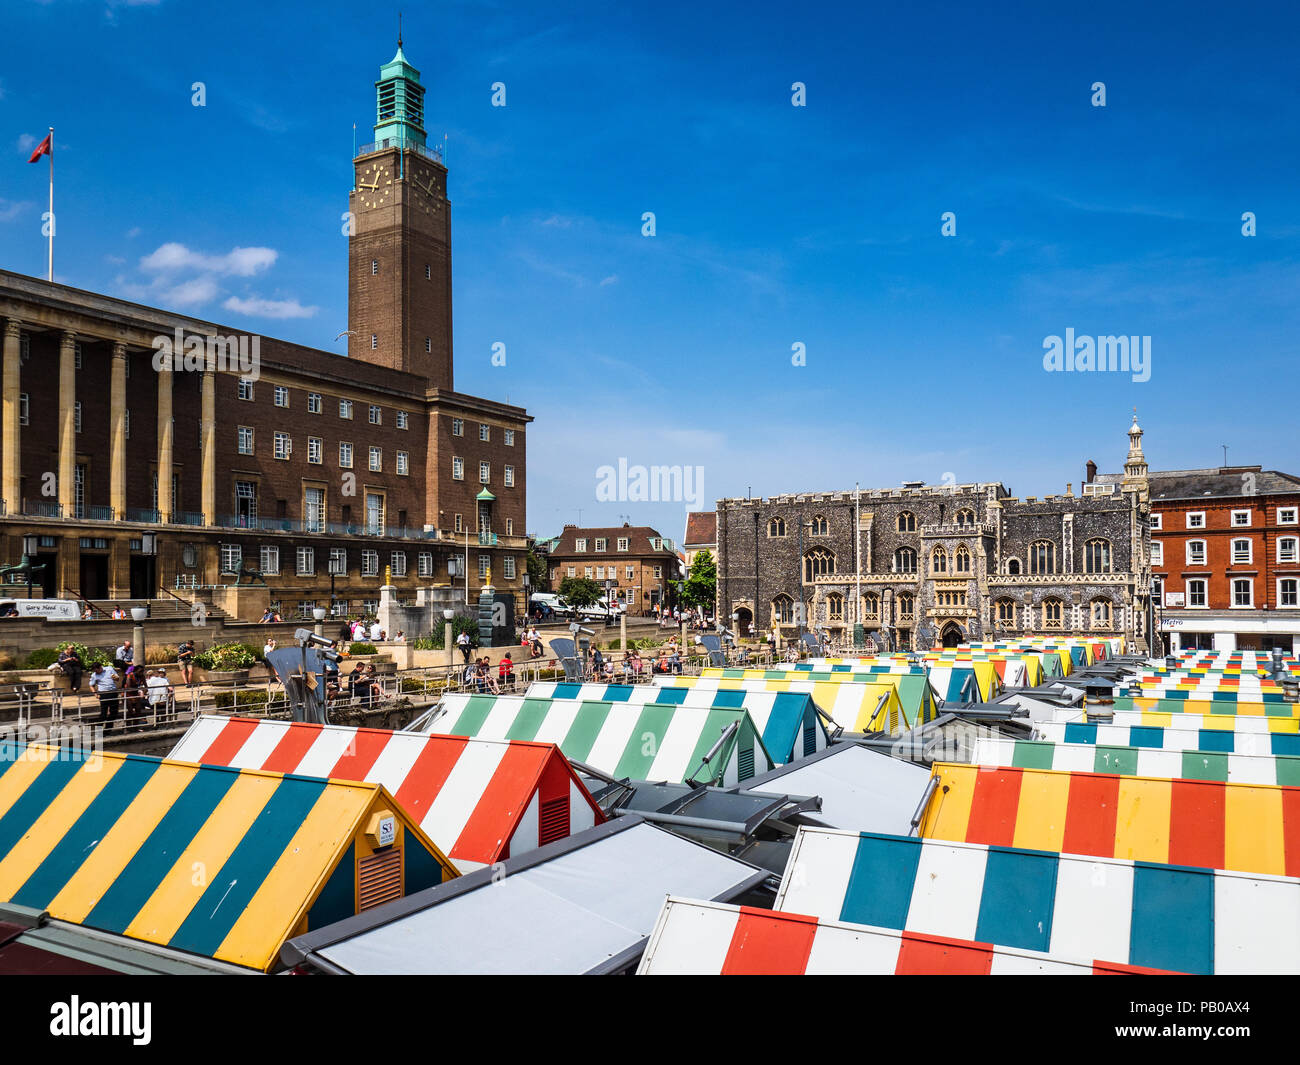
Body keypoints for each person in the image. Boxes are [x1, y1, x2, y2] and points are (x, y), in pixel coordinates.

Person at [88, 662, 121, 728]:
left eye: (97, 670)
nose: (96, 672)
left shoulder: (109, 669)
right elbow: (91, 685)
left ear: (100, 667)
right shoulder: (94, 675)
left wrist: (116, 678)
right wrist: (95, 693)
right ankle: (98, 729)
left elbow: (117, 679)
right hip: (103, 693)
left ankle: (107, 730)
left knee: (114, 712)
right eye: (95, 671)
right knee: (103, 713)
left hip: (113, 692)